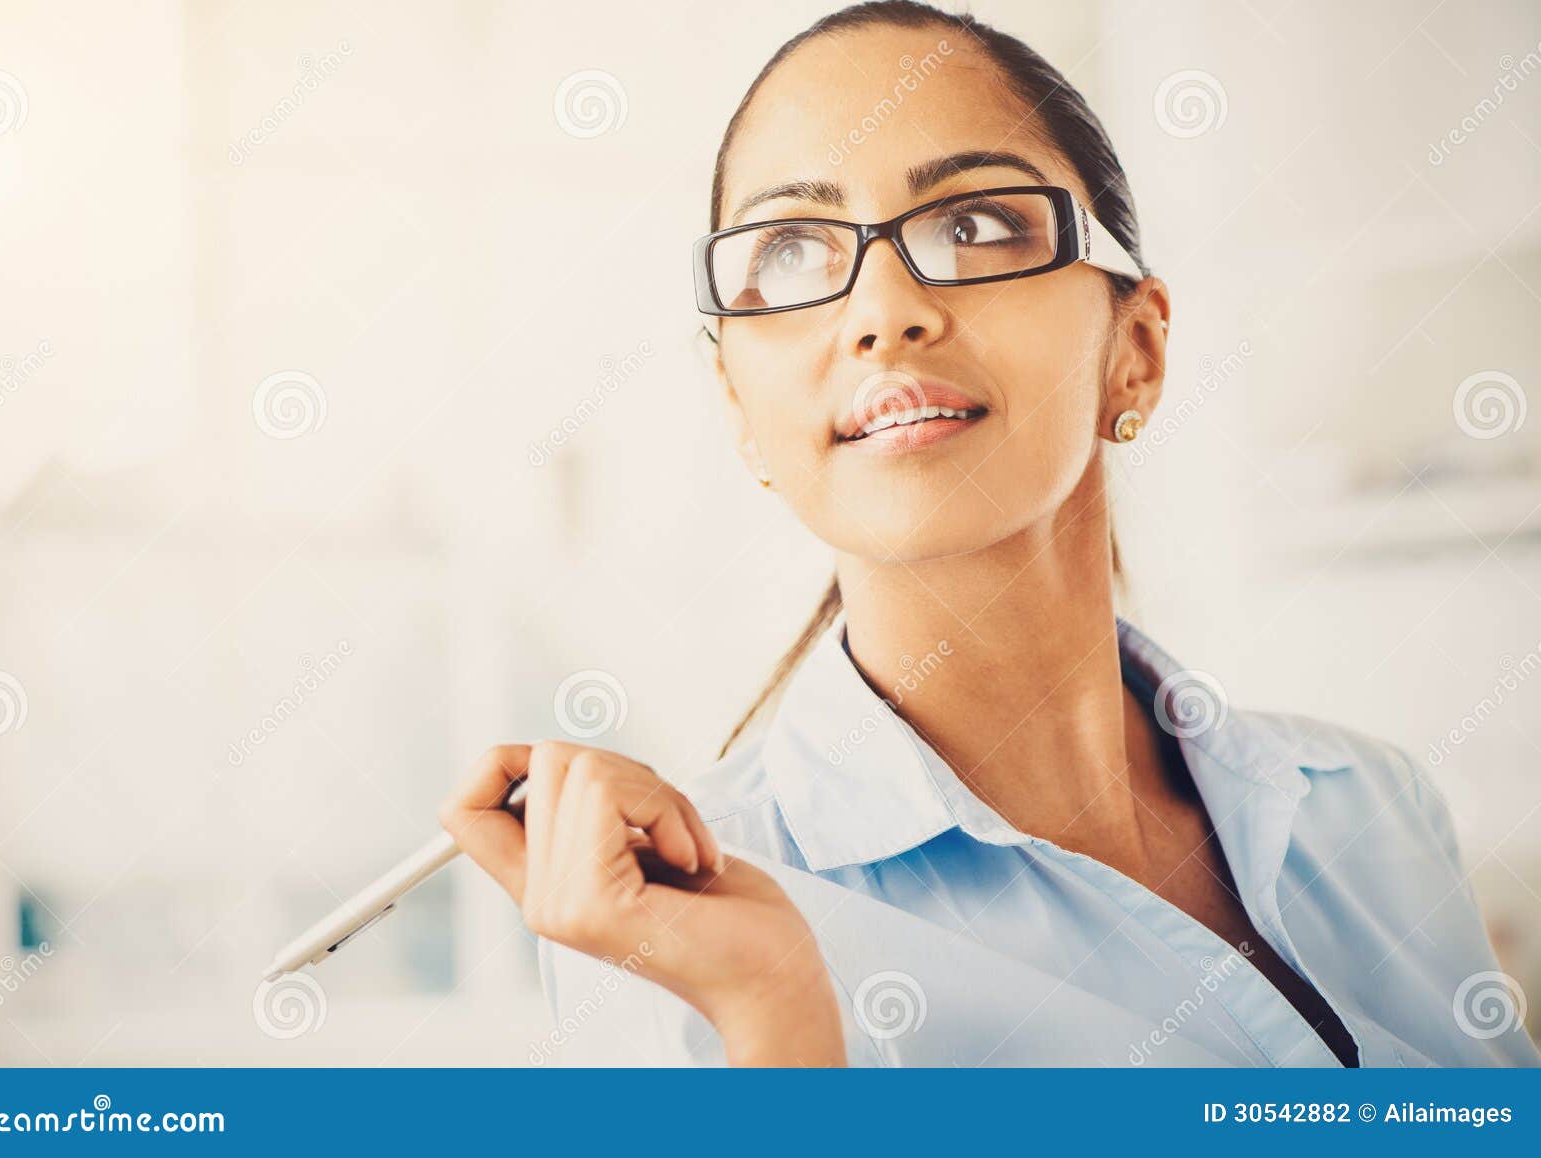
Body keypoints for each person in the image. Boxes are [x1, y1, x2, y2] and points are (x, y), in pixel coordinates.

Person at [439, 1, 1540, 1067]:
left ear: (1136, 350)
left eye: (971, 225)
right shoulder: (664, 924)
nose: (882, 311)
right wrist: (772, 1007)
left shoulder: (1372, 806)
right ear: (738, 407)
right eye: (787, 251)